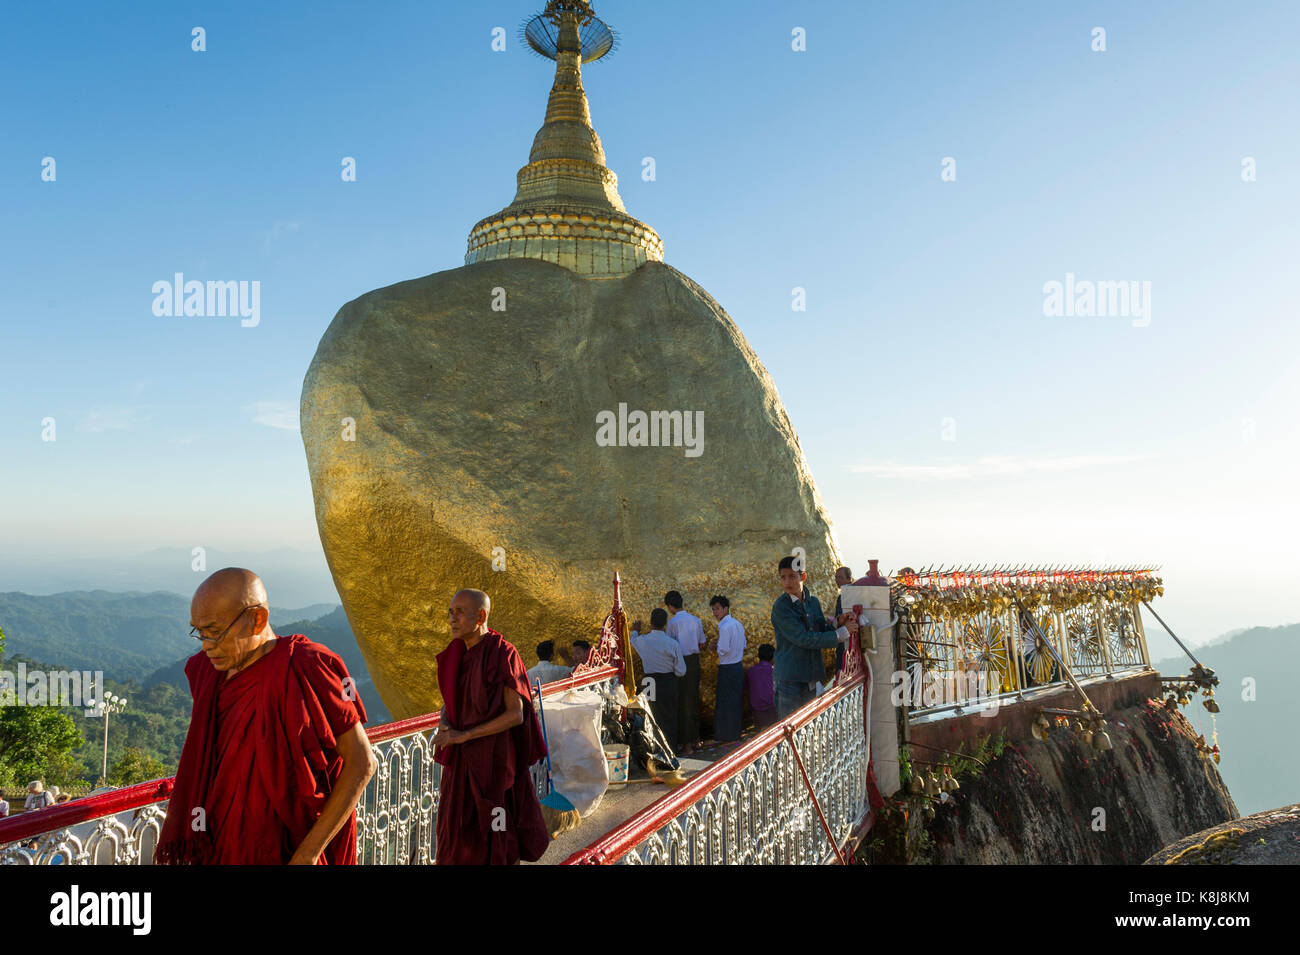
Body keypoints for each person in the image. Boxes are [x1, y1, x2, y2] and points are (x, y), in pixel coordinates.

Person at [156, 567, 375, 865]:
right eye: (199, 632)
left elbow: (362, 762)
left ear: (257, 619)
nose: (206, 645)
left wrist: (309, 853)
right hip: (223, 843)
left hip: (293, 845)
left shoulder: (307, 665)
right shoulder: (208, 674)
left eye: (215, 631)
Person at [433, 588, 549, 865]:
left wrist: (466, 735)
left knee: (495, 835)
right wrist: (445, 724)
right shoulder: (456, 653)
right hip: (461, 763)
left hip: (493, 760)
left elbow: (515, 715)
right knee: (457, 834)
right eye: (450, 612)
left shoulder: (503, 653)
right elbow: (450, 700)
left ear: (480, 615)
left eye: (459, 612)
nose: (452, 619)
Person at [771, 555, 857, 718]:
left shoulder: (813, 602)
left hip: (810, 675)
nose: (787, 582)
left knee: (809, 725)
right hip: (790, 679)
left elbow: (818, 627)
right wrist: (841, 633)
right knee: (791, 729)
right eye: (783, 577)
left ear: (803, 576)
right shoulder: (781, 607)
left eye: (792, 576)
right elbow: (804, 638)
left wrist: (836, 623)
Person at [630, 608, 686, 749]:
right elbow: (681, 671)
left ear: (651, 622)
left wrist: (636, 629)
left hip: (650, 682)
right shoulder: (672, 644)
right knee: (669, 715)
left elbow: (633, 639)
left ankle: (654, 748)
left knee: (651, 715)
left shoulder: (643, 640)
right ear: (665, 624)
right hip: (668, 681)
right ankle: (670, 748)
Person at [664, 590, 705, 753]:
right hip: (694, 661)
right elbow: (702, 643)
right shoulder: (696, 620)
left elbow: (669, 645)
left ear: (670, 606)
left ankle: (687, 744)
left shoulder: (673, 623)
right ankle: (696, 739)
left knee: (683, 704)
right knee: (694, 699)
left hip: (681, 662)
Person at [709, 596, 746, 742]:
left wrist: (713, 646)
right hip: (738, 666)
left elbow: (723, 649)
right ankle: (734, 733)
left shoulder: (724, 627)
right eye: (713, 609)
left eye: (717, 609)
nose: (715, 612)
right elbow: (743, 646)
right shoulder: (737, 624)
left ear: (726, 609)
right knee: (735, 702)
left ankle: (724, 736)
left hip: (727, 668)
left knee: (724, 703)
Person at [746, 644, 778, 729]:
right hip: (771, 710)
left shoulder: (750, 671)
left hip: (757, 711)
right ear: (773, 657)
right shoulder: (774, 671)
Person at [833, 566, 853, 673]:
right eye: (836, 577)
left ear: (849, 579)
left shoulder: (845, 597)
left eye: (840, 577)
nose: (837, 580)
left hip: (845, 641)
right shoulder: (843, 596)